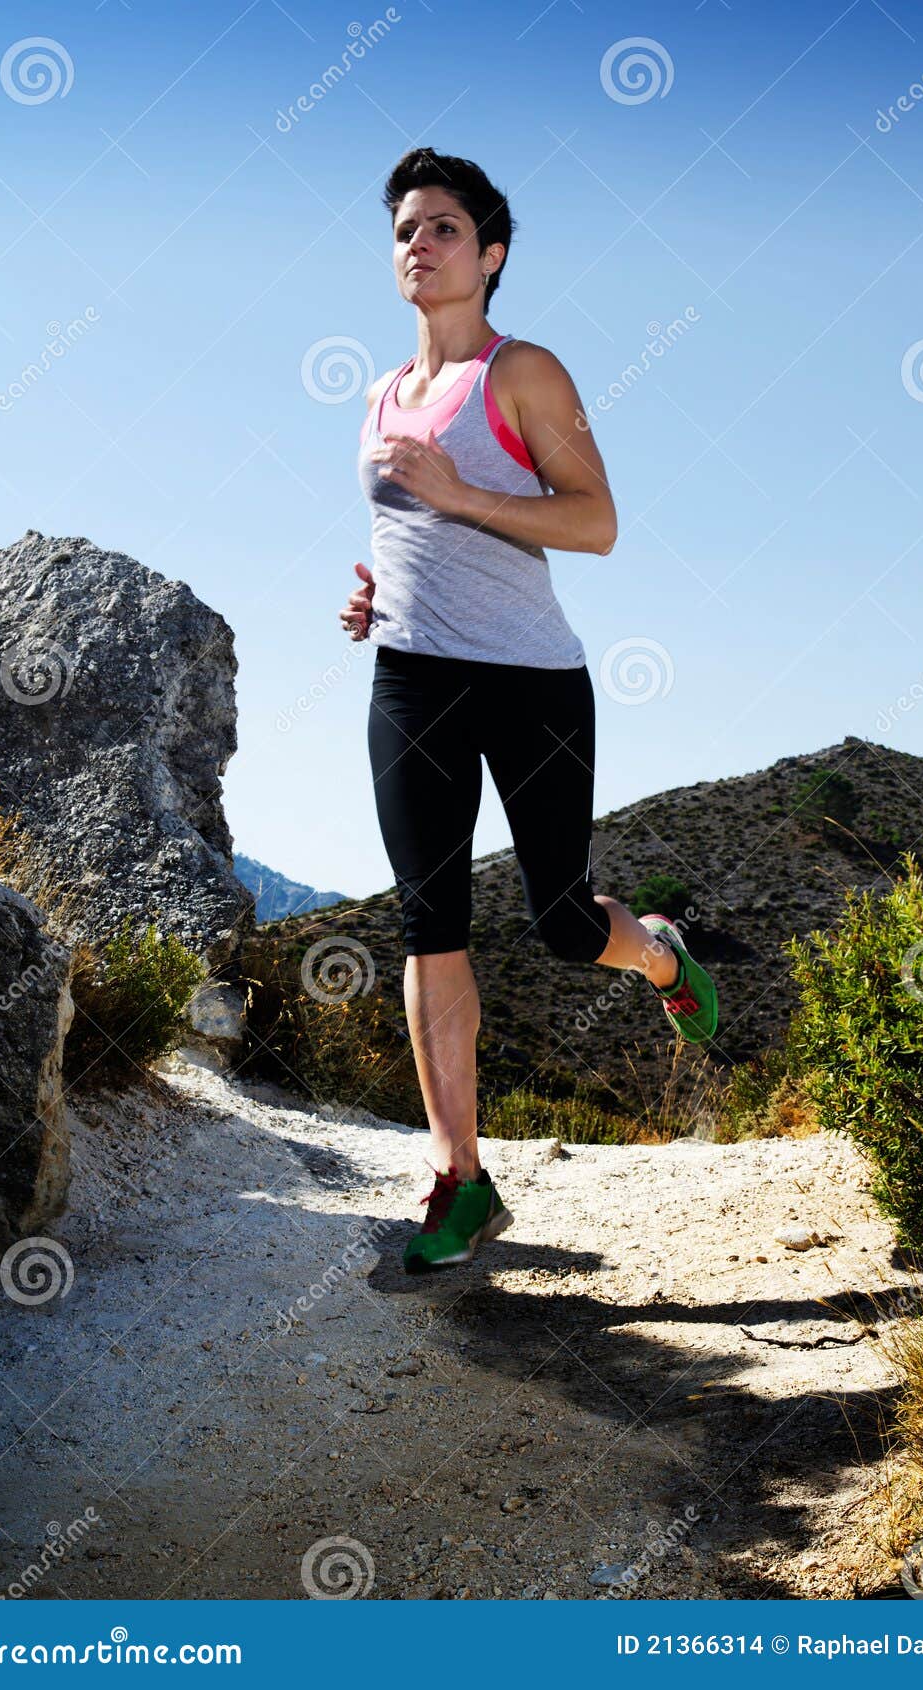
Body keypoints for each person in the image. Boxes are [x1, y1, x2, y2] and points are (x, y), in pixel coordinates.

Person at [340, 147, 718, 1273]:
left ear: (490, 254)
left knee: (559, 921)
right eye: (406, 227)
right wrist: (372, 592)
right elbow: (401, 528)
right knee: (429, 922)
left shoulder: (523, 374)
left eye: (444, 227)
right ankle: (461, 1177)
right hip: (411, 680)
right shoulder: (377, 394)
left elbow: (595, 521)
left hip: (531, 683)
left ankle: (662, 958)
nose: (420, 242)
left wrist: (460, 491)